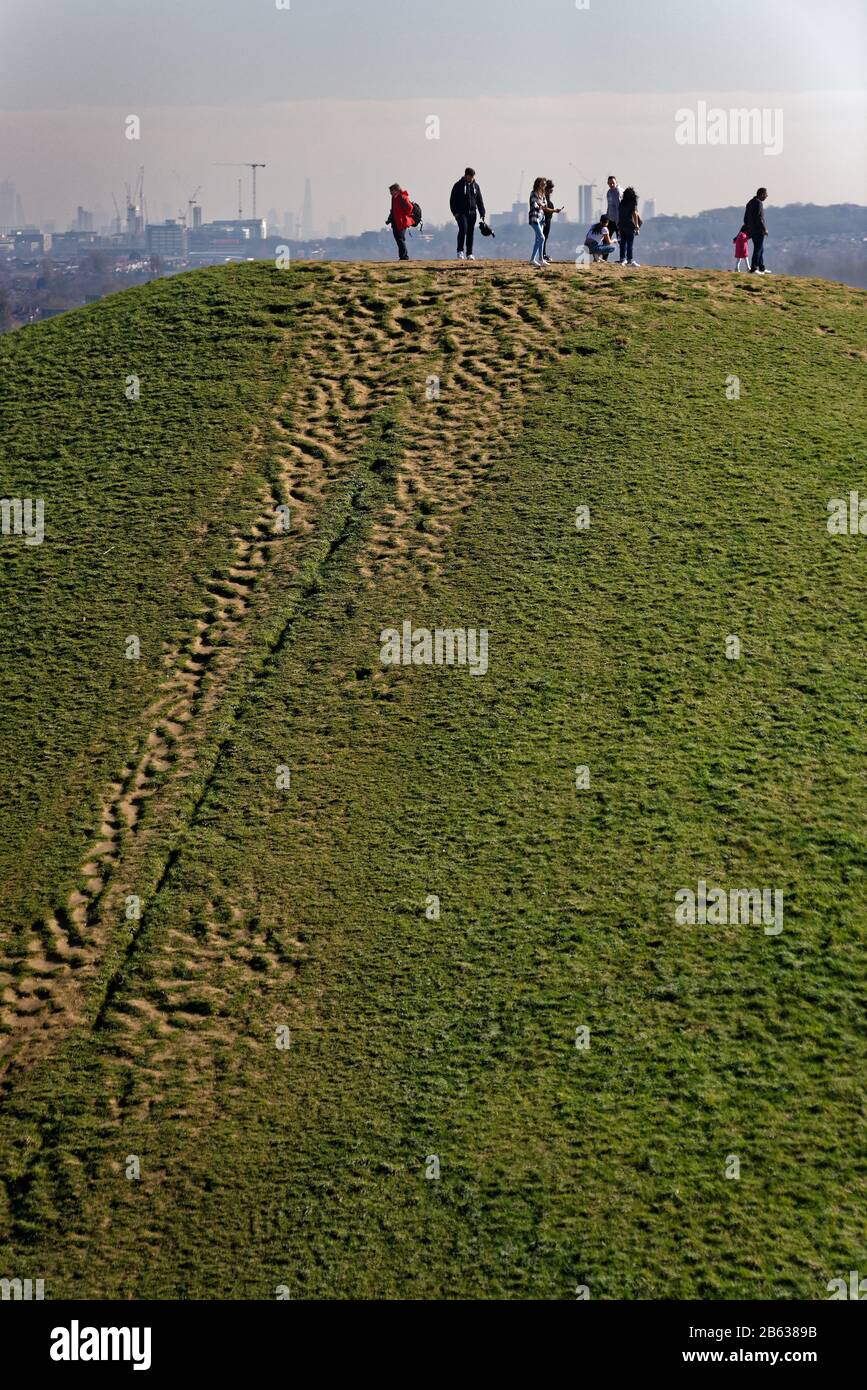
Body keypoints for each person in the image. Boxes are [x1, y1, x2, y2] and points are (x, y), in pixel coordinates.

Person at [449, 167, 486, 260]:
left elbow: (479, 200)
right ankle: (460, 251)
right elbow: (452, 200)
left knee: (470, 232)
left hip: (473, 213)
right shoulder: (458, 185)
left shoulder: (476, 186)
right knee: (463, 229)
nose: (472, 178)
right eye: (470, 176)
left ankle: (469, 253)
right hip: (461, 213)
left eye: (473, 177)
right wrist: (455, 212)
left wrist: (482, 212)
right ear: (466, 175)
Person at [743, 187, 770, 274]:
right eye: (766, 194)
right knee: (758, 249)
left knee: (760, 248)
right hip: (758, 230)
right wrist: (764, 229)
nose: (767, 196)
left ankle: (761, 268)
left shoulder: (750, 203)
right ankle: (753, 269)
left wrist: (749, 228)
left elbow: (745, 219)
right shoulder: (758, 203)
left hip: (752, 230)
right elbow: (759, 218)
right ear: (762, 194)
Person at [385, 183, 414, 261]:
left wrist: (404, 215)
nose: (390, 193)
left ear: (396, 190)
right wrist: (390, 218)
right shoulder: (394, 198)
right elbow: (393, 210)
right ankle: (402, 256)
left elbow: (410, 207)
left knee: (400, 238)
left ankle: (404, 257)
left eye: (391, 191)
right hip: (395, 222)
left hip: (402, 222)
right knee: (398, 239)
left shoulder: (402, 197)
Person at [542, 179, 565, 263]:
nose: (552, 191)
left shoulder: (546, 197)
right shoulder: (543, 197)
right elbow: (544, 208)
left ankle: (543, 254)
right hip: (545, 220)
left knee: (544, 237)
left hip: (548, 219)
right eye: (550, 189)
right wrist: (555, 210)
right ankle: (542, 255)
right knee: (543, 237)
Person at [618, 185, 641, 266]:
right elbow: (634, 214)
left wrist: (619, 225)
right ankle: (629, 260)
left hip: (621, 225)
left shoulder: (621, 203)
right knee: (630, 243)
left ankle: (622, 259)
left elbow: (619, 214)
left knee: (622, 243)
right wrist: (637, 225)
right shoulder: (632, 203)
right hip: (629, 225)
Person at [528, 177, 549, 267]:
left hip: (541, 218)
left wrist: (541, 205)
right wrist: (539, 205)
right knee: (542, 238)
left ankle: (541, 259)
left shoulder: (543, 194)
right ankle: (532, 259)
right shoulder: (533, 193)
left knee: (538, 239)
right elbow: (534, 204)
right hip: (534, 218)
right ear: (538, 184)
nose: (544, 185)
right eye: (542, 184)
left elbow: (545, 205)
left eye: (545, 184)